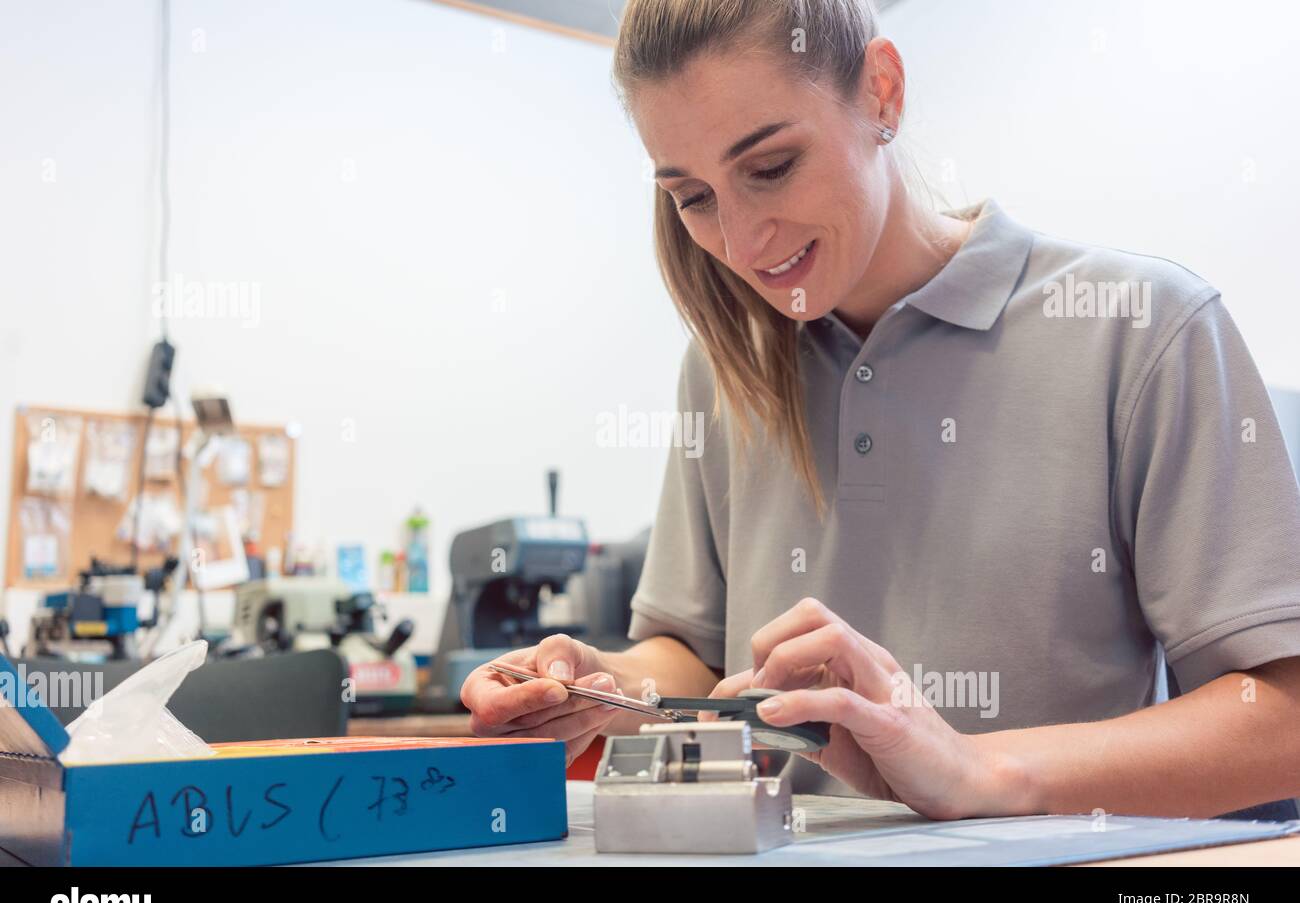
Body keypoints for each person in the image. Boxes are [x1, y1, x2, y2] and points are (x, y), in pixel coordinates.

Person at [462, 0, 1300, 820]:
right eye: (694, 197)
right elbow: (690, 650)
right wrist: (600, 685)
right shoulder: (725, 368)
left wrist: (983, 771)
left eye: (770, 167)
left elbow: (1283, 719)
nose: (743, 242)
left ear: (882, 92)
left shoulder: (1139, 328)